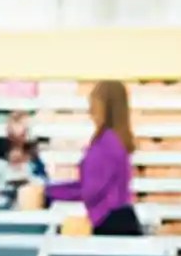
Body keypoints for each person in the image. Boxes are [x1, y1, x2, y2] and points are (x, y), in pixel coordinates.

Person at [43, 80, 142, 235]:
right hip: (118, 219)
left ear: (105, 107)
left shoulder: (106, 144)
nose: (90, 111)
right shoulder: (116, 140)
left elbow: (89, 190)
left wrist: (48, 194)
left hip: (110, 223)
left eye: (94, 103)